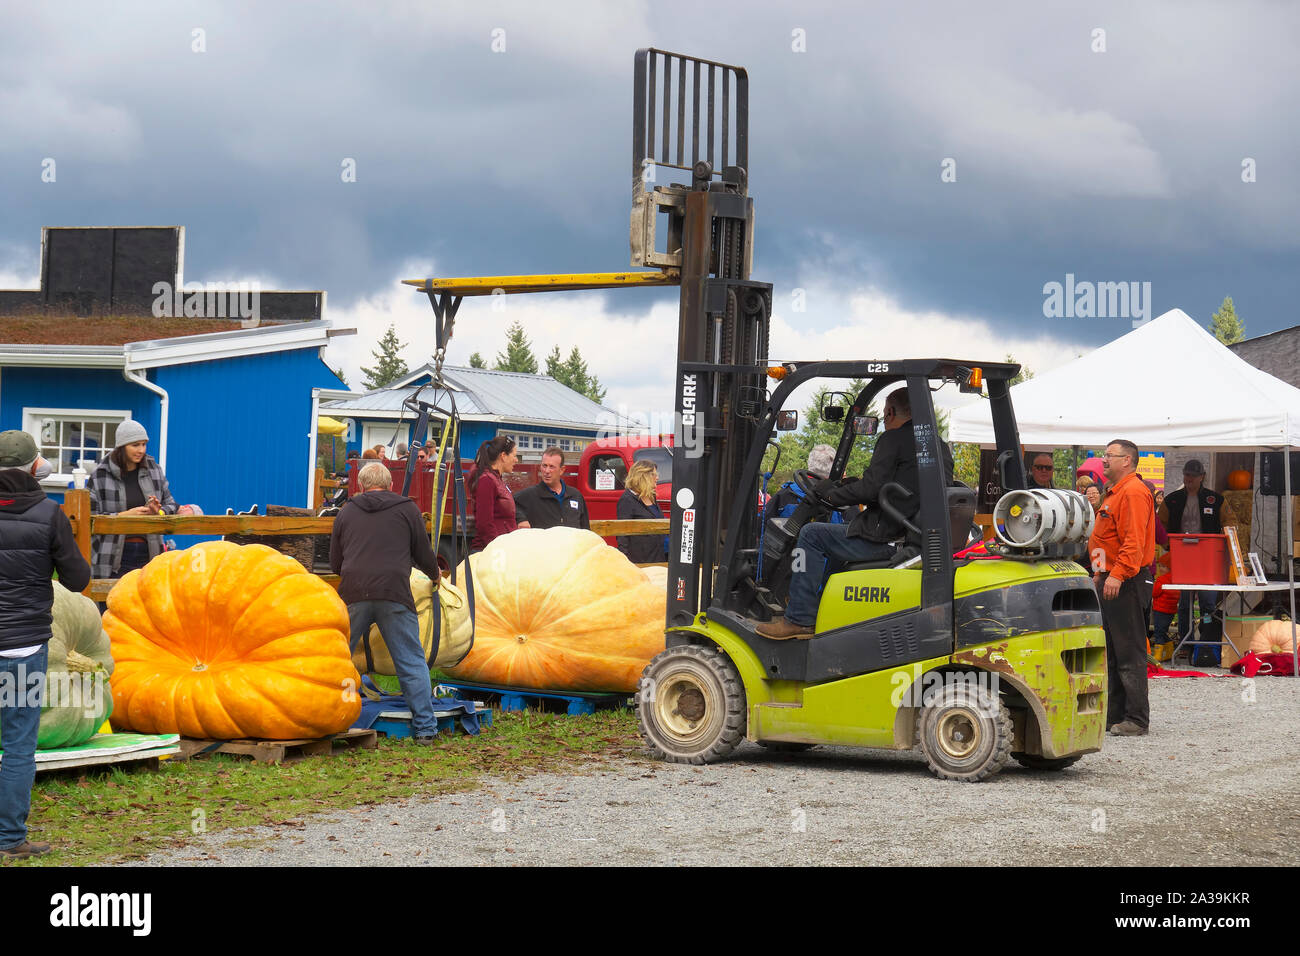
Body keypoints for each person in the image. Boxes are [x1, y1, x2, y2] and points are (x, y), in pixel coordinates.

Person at [757, 388, 953, 640]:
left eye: (884, 415)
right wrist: (846, 487)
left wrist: (829, 495)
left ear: (891, 412)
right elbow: (890, 484)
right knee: (835, 539)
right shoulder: (938, 446)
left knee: (811, 535)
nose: (885, 420)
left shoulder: (893, 440)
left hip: (888, 539)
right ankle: (821, 607)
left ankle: (799, 618)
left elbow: (872, 489)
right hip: (915, 535)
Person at [0, 431, 91, 858]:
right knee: (19, 742)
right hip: (24, 648)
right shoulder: (49, 514)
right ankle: (9, 838)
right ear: (36, 467)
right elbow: (76, 580)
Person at [330, 461, 443, 745]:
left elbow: (335, 562)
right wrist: (435, 574)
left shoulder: (346, 512)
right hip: (394, 591)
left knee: (336, 659)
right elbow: (423, 551)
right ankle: (426, 729)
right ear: (391, 485)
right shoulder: (407, 509)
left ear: (360, 487)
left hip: (354, 591)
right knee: (410, 660)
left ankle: (324, 722)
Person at [1089, 439, 1156, 737]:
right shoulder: (1115, 493)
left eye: (1109, 455)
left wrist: (1116, 575)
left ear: (1127, 460)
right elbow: (1106, 538)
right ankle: (1116, 714)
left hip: (1126, 580)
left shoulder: (1132, 492)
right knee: (1114, 650)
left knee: (1129, 651)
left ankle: (1137, 718)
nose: (1104, 460)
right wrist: (1100, 572)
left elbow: (1133, 541)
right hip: (1112, 577)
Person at [1158, 459, 1236, 653]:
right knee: (1184, 603)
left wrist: (1226, 548)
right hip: (1182, 557)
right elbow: (1161, 524)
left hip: (1207, 558)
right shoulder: (1172, 499)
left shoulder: (1215, 499)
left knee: (1208, 603)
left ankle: (1207, 642)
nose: (1189, 479)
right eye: (1186, 475)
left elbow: (1230, 523)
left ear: (1202, 477)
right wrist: (1168, 544)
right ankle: (1186, 643)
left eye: (1193, 475)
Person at [87, 420, 177, 580]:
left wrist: (159, 512)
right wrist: (124, 516)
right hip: (113, 554)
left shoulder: (154, 470)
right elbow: (90, 518)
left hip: (150, 552)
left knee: (148, 602)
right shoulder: (100, 475)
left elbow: (172, 504)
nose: (141, 450)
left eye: (144, 444)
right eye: (135, 445)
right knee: (111, 601)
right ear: (122, 446)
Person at [762, 444, 843, 524]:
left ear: (809, 463)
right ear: (834, 468)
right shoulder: (843, 500)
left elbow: (761, 524)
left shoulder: (785, 494)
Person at [515, 447, 589, 531]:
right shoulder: (529, 495)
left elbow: (585, 530)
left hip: (572, 544)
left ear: (562, 470)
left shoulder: (576, 496)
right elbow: (508, 504)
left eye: (552, 467)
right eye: (544, 466)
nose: (547, 471)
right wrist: (521, 519)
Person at [470, 436, 518, 551]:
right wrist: (497, 550)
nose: (516, 460)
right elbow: (484, 523)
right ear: (503, 456)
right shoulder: (487, 480)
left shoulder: (497, 479)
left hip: (501, 549)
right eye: (514, 455)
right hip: (489, 553)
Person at [616, 461, 665, 563]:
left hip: (659, 556)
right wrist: (625, 562)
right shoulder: (627, 500)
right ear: (643, 476)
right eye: (654, 474)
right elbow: (622, 535)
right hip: (640, 560)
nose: (657, 478)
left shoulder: (651, 496)